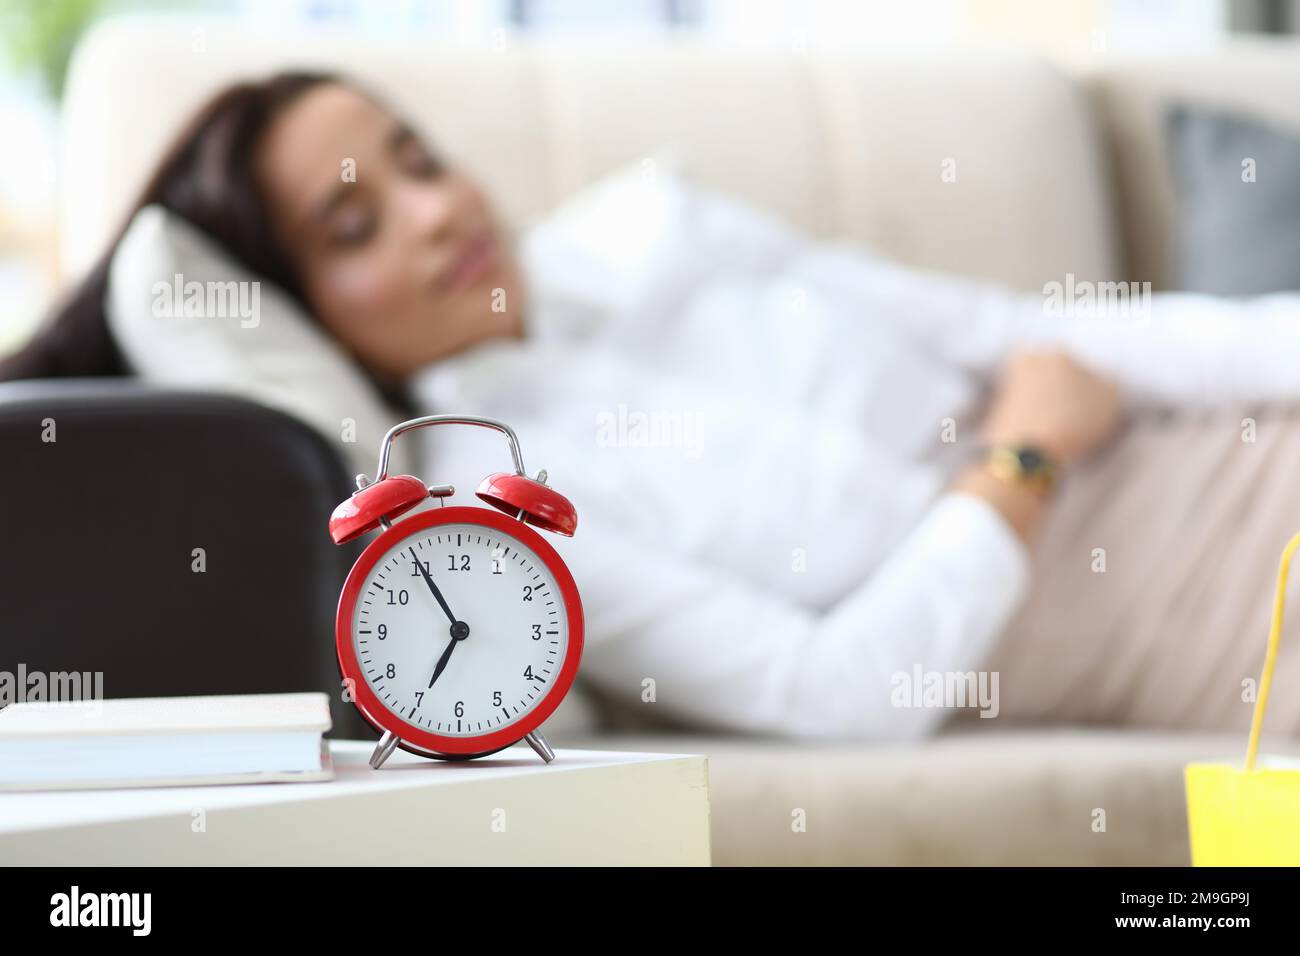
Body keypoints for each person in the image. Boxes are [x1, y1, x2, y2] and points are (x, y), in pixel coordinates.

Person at [5, 73, 1298, 738]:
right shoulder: (508, 526)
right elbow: (838, 696)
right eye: (356, 226)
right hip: (1218, 624)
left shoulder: (654, 231)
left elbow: (1031, 334)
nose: (440, 209)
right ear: (307, 313)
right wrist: (1019, 461)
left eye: (418, 159)